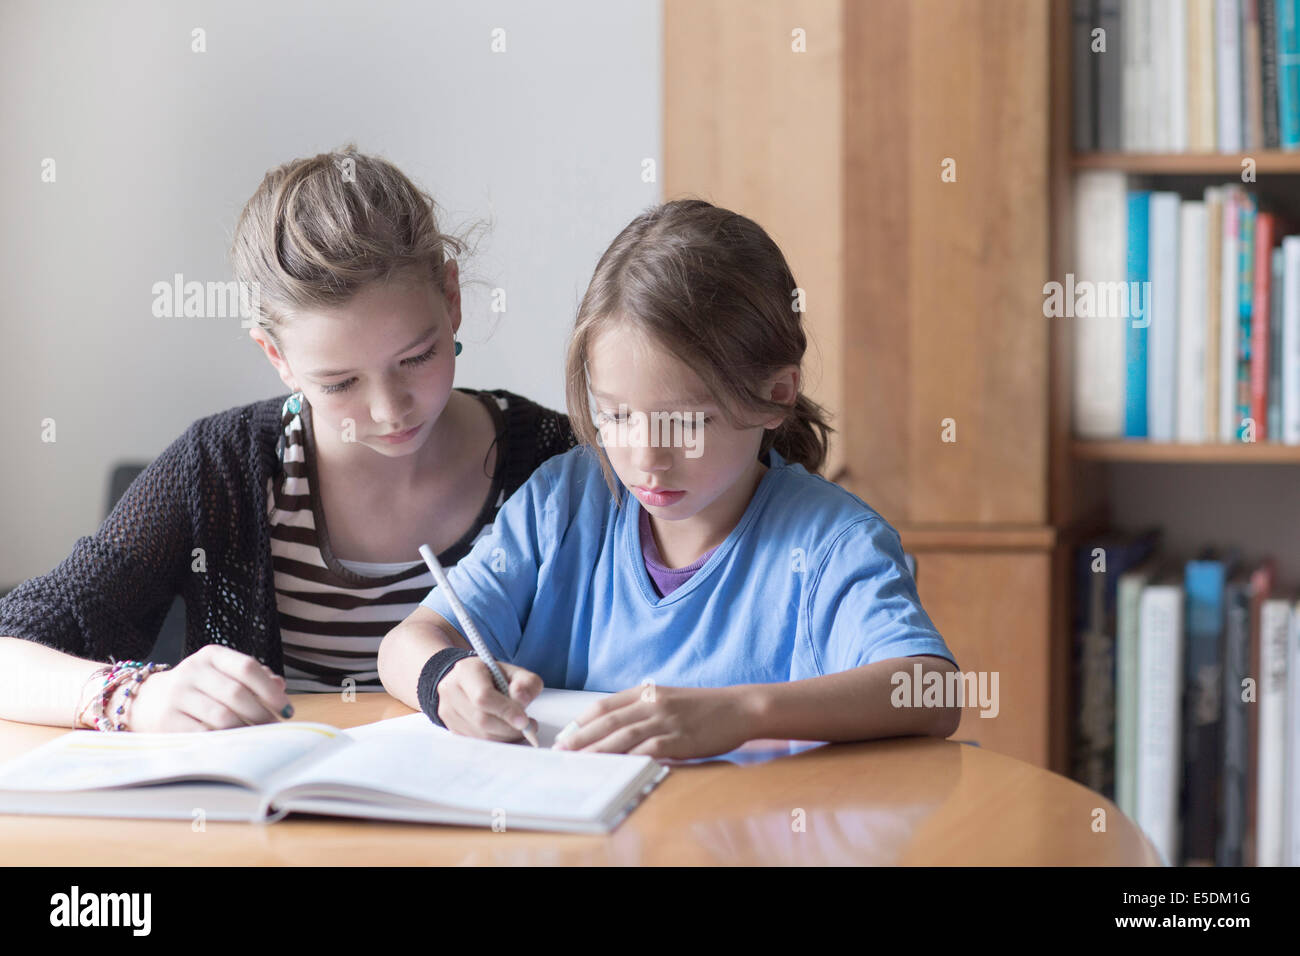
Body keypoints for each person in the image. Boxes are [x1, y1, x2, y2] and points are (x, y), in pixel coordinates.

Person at [0, 146, 575, 732]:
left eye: (416, 357)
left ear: (451, 299)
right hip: (273, 818)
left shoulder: (559, 461)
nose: (388, 409)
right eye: (340, 382)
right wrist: (137, 698)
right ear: (277, 357)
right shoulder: (219, 468)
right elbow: (9, 653)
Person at [378, 199, 960, 760]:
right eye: (617, 415)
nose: (647, 459)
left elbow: (932, 692)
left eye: (685, 422)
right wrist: (447, 678)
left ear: (776, 394)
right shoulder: (563, 503)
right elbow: (405, 643)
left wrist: (740, 713)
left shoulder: (832, 542)